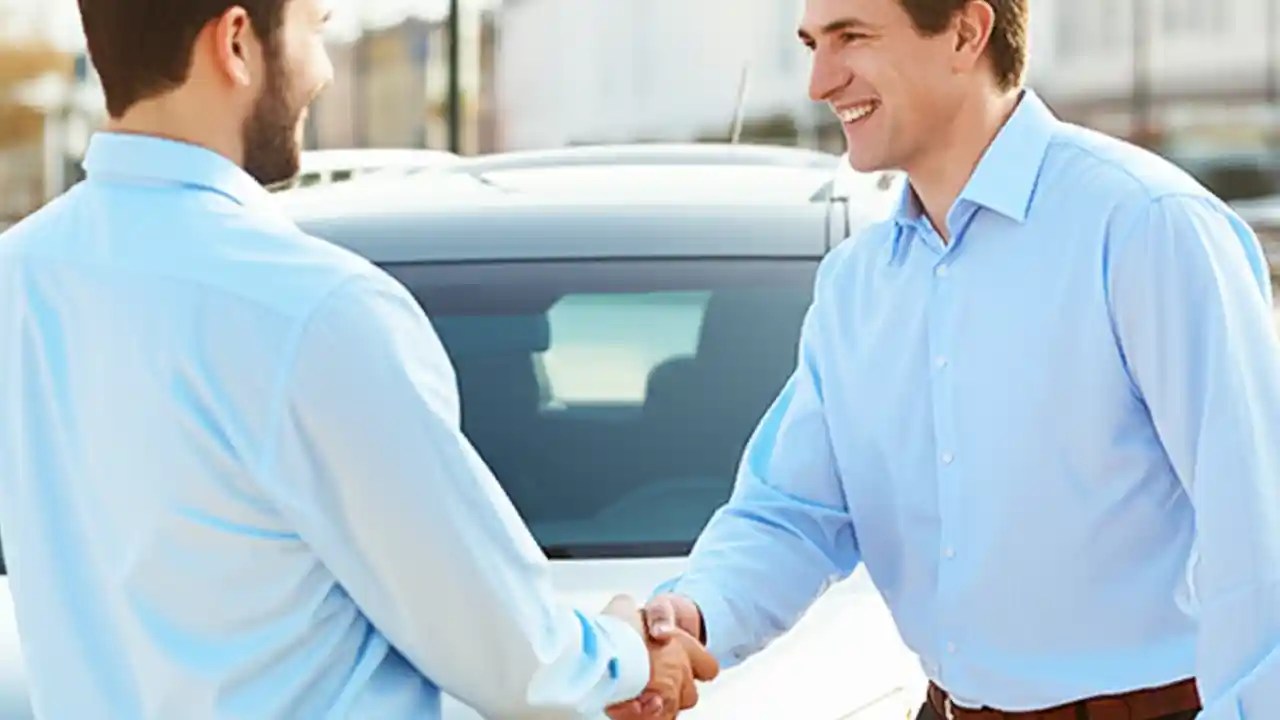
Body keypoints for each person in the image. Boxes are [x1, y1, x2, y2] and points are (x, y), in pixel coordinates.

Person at [0, 1, 718, 718]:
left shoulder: (16, 279)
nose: (325, 70)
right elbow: (515, 657)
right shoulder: (310, 307)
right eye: (318, 30)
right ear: (237, 42)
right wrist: (626, 651)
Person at [611, 0, 1280, 719]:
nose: (819, 82)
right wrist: (691, 618)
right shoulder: (856, 283)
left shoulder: (1146, 228)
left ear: (966, 32)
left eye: (851, 39)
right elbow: (792, 515)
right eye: (812, 44)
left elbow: (1260, 526)